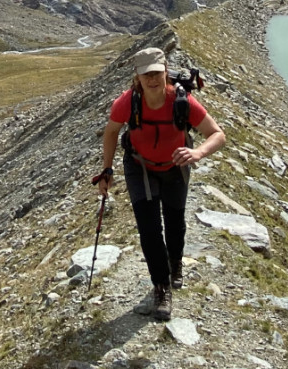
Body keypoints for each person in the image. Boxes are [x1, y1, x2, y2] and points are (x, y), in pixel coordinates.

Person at [96, 46, 226, 321]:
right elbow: (110, 133)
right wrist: (107, 169)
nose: (152, 79)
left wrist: (198, 153)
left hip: (175, 167)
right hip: (139, 167)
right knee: (149, 229)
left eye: (156, 73)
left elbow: (217, 135)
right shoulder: (126, 102)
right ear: (137, 77)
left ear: (165, 71)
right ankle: (161, 287)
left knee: (175, 221)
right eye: (146, 75)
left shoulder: (182, 102)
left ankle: (175, 262)